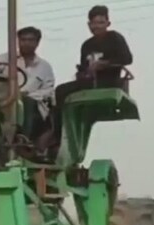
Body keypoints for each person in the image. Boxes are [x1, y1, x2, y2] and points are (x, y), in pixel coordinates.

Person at [45, 5, 133, 149]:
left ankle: (57, 136)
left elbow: (127, 59)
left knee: (63, 91)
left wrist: (104, 64)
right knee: (59, 91)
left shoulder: (115, 38)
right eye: (94, 23)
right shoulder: (87, 45)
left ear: (107, 23)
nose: (97, 26)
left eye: (101, 23)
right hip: (89, 81)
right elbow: (84, 66)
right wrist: (82, 72)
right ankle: (57, 131)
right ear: (89, 25)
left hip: (108, 81)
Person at [0, 26, 56, 120]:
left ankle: (23, 134)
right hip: (4, 100)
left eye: (30, 40)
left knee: (27, 103)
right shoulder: (6, 58)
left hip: (32, 104)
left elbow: (48, 90)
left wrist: (27, 95)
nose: (26, 43)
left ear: (37, 42)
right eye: (23, 40)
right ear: (18, 41)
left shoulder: (45, 67)